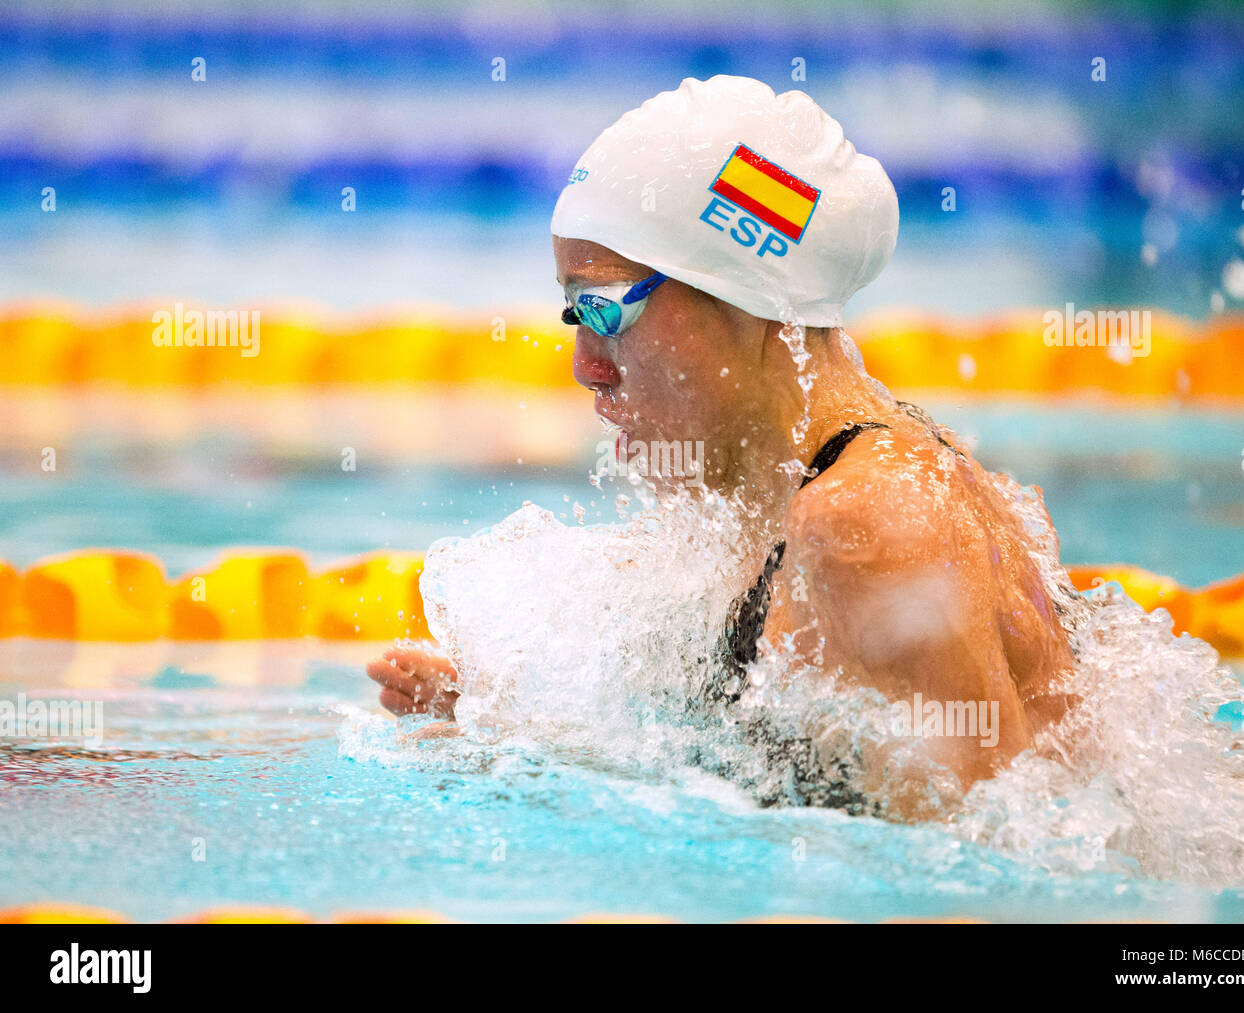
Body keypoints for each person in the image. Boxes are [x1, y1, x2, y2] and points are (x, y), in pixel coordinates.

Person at [369, 76, 1076, 816]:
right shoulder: (794, 494)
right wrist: (519, 739)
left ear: (748, 294)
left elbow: (982, 856)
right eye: (572, 313)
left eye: (603, 309)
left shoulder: (866, 524)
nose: (586, 366)